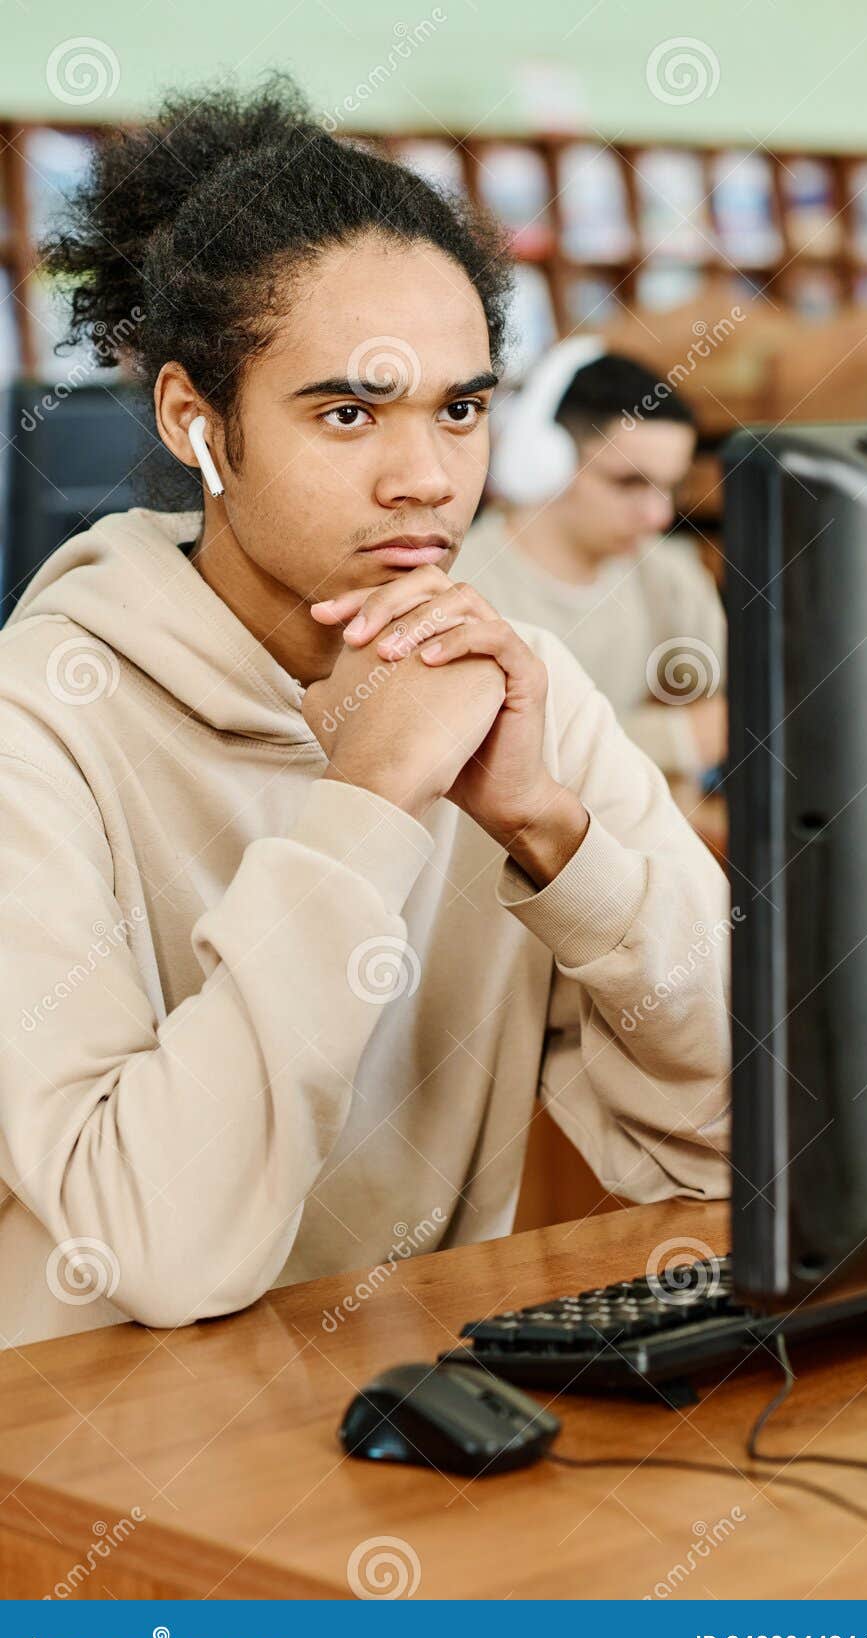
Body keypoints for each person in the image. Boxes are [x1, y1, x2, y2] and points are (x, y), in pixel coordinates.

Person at [0, 73, 732, 1350]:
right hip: (92, 1460)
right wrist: (367, 802)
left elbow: (745, 1144)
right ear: (197, 421)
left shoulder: (515, 698)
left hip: (413, 1404)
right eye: (348, 412)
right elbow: (157, 1251)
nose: (425, 480)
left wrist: (554, 834)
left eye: (459, 409)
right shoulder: (38, 727)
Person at [453, 339, 728, 789]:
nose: (658, 515)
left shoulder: (667, 572)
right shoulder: (462, 588)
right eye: (629, 483)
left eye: (669, 488)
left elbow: (726, 719)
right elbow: (490, 765)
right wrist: (674, 740)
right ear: (548, 462)